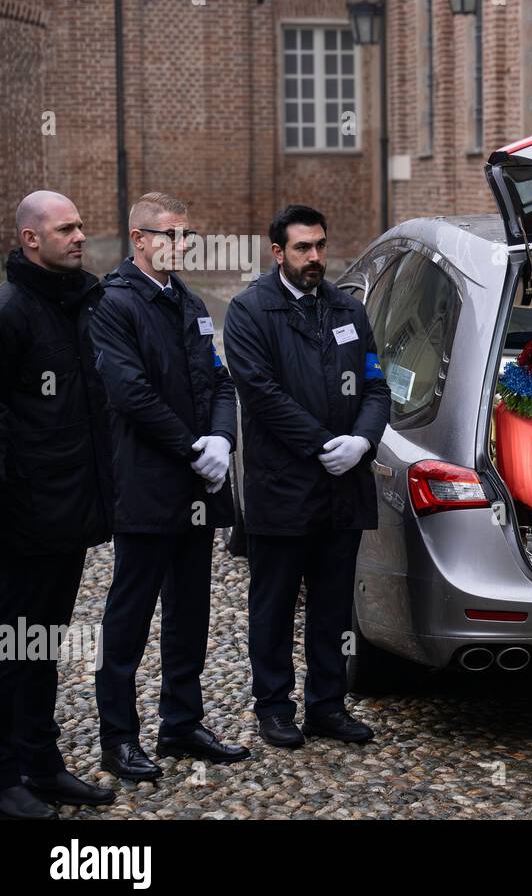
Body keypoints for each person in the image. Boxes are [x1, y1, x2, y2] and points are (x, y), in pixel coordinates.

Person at [91, 193, 250, 781]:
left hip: (197, 488)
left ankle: (181, 723)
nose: (183, 245)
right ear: (140, 239)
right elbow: (129, 393)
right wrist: (192, 448)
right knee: (129, 615)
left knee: (190, 610)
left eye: (188, 235)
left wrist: (222, 440)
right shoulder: (114, 304)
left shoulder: (189, 301)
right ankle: (118, 737)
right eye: (172, 235)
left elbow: (220, 381)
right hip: (146, 485)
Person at [223, 205, 390, 748]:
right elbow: (261, 393)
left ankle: (327, 706)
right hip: (282, 487)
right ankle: (274, 707)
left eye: (319, 245)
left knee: (333, 606)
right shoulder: (251, 310)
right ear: (278, 252)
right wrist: (322, 445)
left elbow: (376, 386)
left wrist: (362, 440)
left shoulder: (348, 309)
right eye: (302, 248)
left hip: (343, 489)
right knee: (273, 606)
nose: (314, 256)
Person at [0, 191, 116, 819]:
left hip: (66, 516)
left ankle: (41, 765)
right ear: (30, 239)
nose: (80, 236)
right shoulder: (12, 311)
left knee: (43, 647)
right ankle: (5, 778)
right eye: (66, 228)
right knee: (12, 649)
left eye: (81, 225)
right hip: (22, 522)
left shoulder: (79, 305)